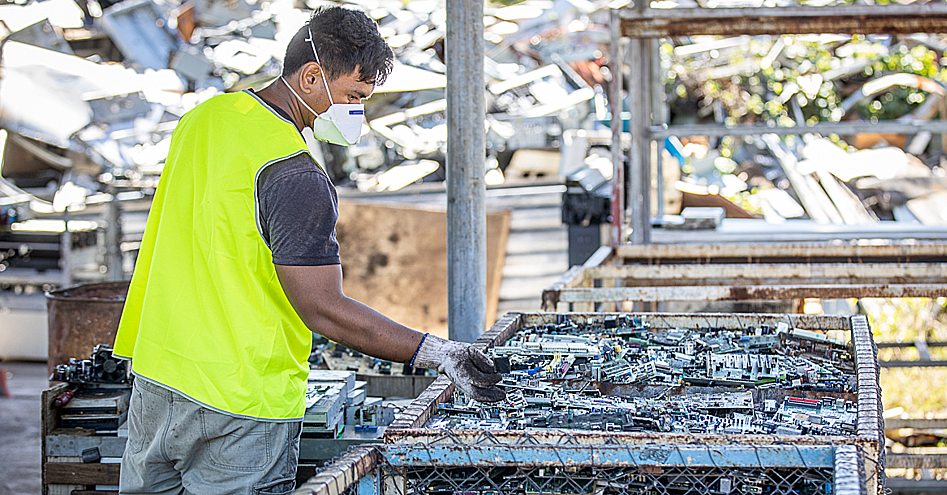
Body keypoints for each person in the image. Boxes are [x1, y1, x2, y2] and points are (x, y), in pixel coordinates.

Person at [111, 7, 504, 494]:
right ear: (312, 75)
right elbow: (322, 308)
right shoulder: (295, 173)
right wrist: (434, 351)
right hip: (238, 403)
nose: (358, 113)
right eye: (354, 97)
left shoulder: (204, 119)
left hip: (158, 377)